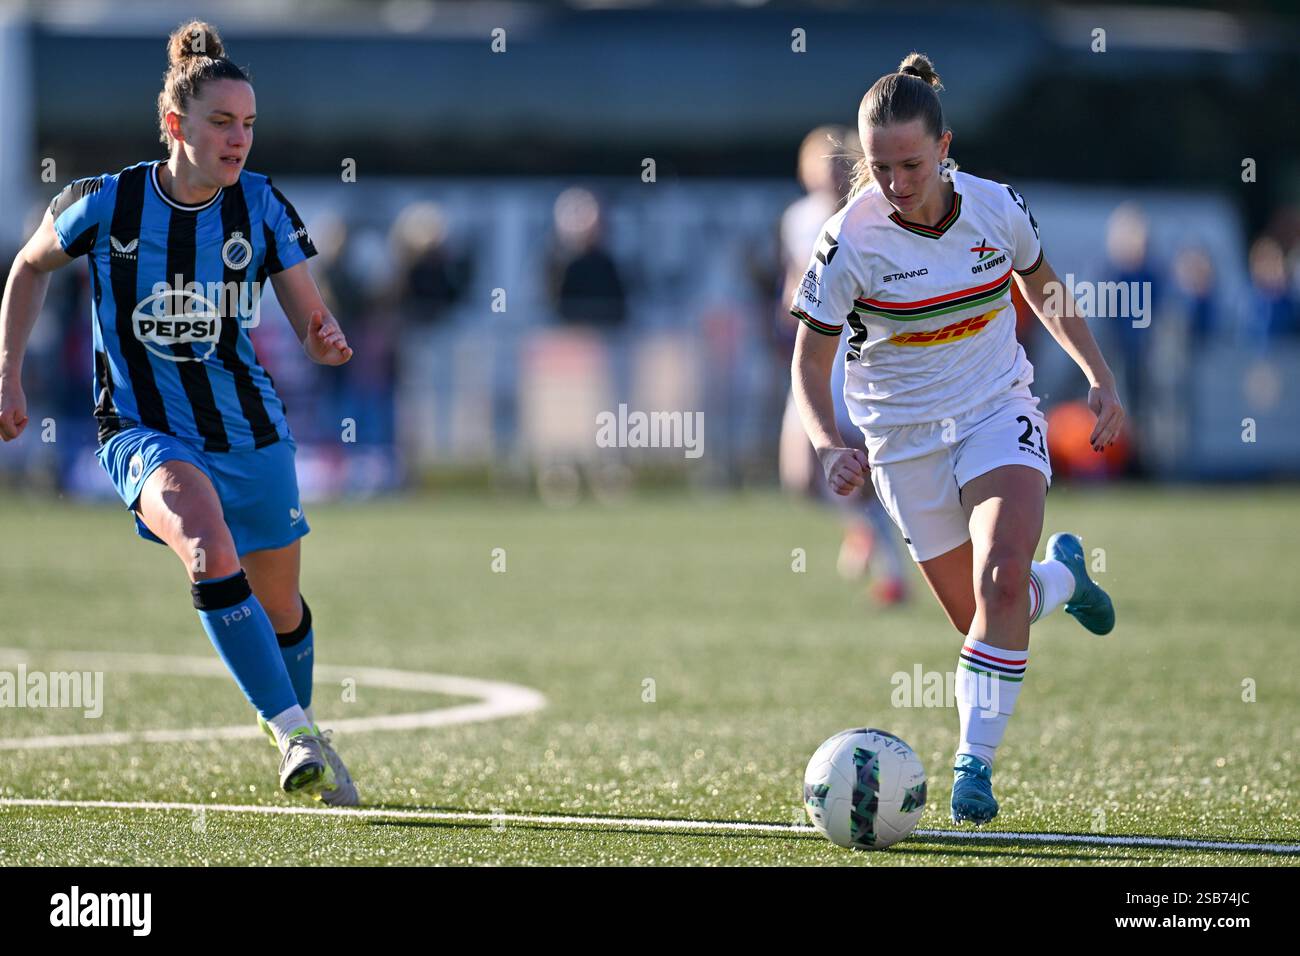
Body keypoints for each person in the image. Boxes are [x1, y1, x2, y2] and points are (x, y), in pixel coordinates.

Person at [0, 21, 358, 804]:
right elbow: (28, 266)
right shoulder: (105, 202)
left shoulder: (259, 205)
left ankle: (302, 724)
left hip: (249, 430)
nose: (240, 140)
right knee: (203, 542)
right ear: (176, 126)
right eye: (223, 123)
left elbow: (309, 317)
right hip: (142, 428)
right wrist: (8, 371)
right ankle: (293, 733)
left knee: (281, 607)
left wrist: (324, 338)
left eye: (250, 125)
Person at [789, 53, 1125, 825]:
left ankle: (974, 768)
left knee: (1000, 583)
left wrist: (1099, 378)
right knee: (989, 612)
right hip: (902, 445)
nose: (896, 183)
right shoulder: (848, 243)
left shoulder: (994, 207)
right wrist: (826, 441)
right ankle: (1065, 580)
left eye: (910, 164)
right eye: (878, 169)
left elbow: (1042, 287)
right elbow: (808, 360)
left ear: (945, 148)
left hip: (993, 412)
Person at [778, 126, 908, 604]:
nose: (829, 175)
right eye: (820, 164)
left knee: (853, 461)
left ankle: (893, 574)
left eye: (838, 164)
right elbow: (795, 283)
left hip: (851, 355)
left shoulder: (867, 216)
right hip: (811, 354)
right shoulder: (797, 219)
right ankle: (862, 528)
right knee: (798, 475)